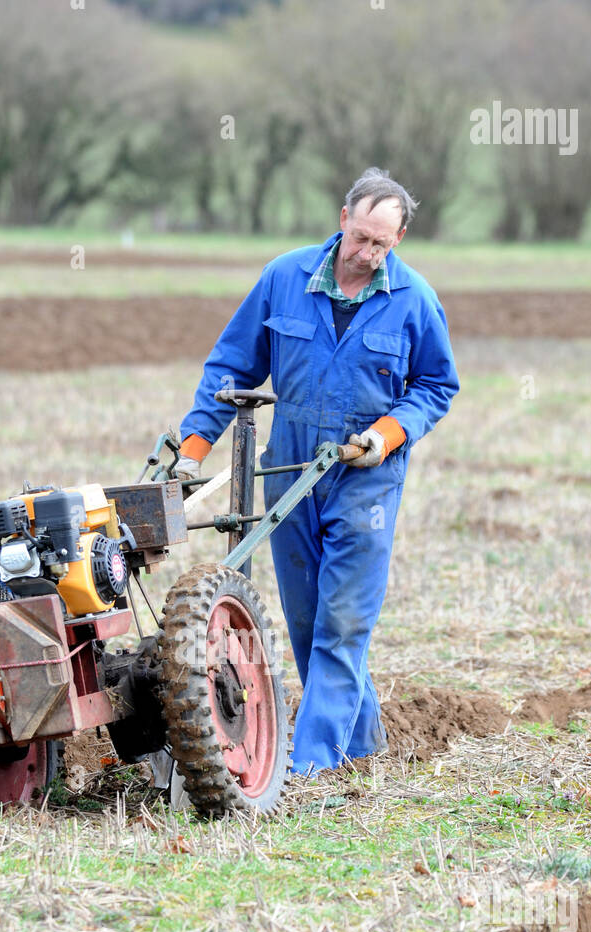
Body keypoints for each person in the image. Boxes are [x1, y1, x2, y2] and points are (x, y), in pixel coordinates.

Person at [176, 167, 459, 776]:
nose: (366, 252)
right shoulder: (284, 278)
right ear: (342, 220)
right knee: (306, 623)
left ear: (400, 238)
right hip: (289, 472)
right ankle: (365, 748)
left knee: (343, 624)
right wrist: (193, 448)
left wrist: (385, 436)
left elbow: (437, 385)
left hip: (366, 481)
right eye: (360, 236)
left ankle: (311, 765)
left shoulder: (414, 301)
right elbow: (231, 366)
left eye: (381, 242)